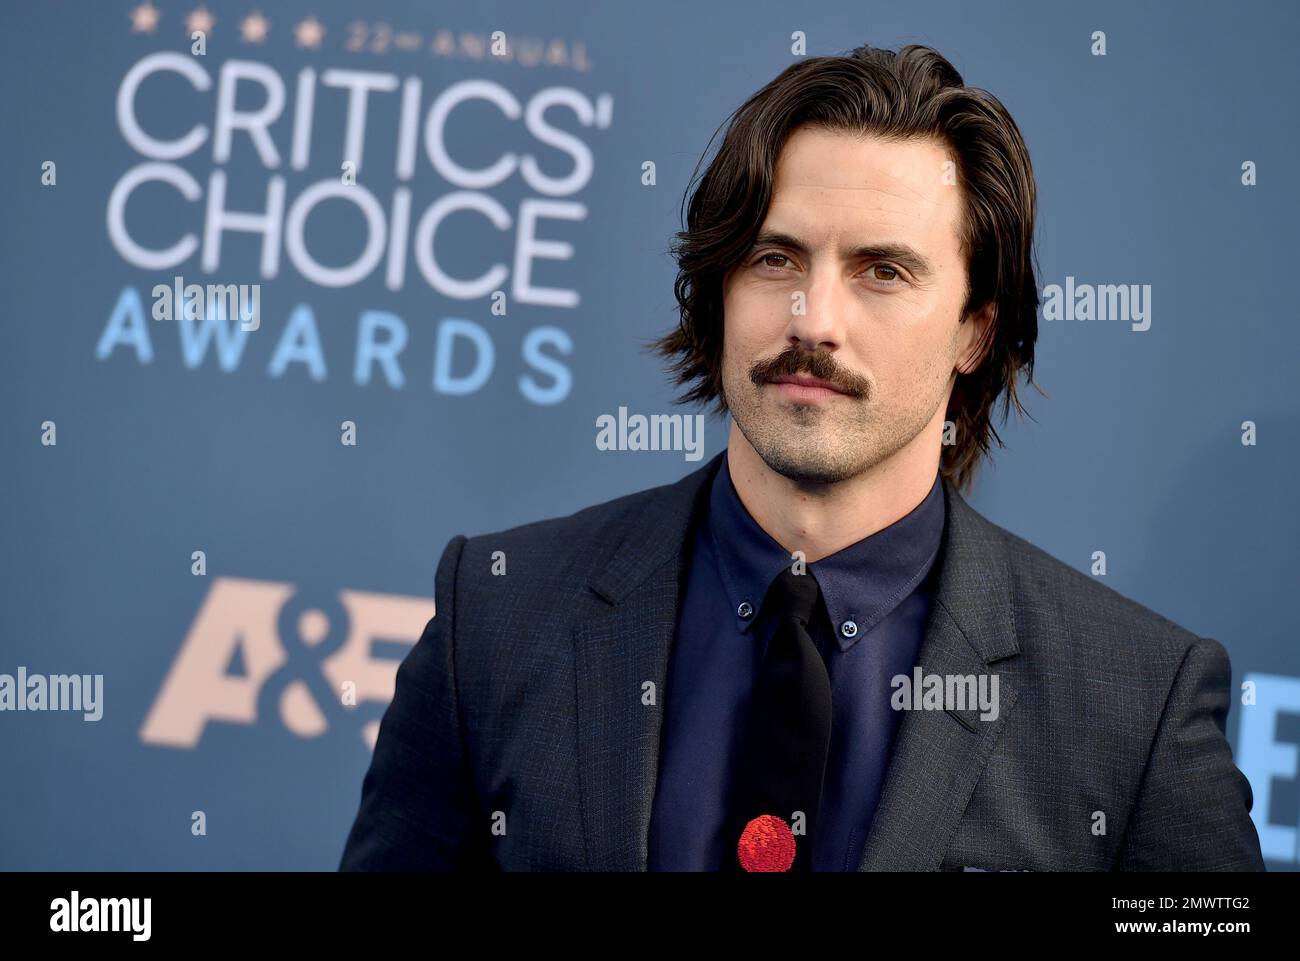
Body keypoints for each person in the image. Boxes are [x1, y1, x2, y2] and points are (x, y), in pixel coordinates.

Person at [338, 43, 1265, 871]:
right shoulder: (496, 614)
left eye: (883, 271)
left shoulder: (1135, 706)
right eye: (775, 259)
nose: (812, 319)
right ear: (717, 287)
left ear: (977, 331)